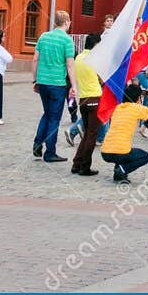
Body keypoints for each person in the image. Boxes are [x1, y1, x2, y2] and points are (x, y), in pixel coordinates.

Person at [99, 81, 148, 184]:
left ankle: (118, 173)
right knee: (144, 156)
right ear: (138, 98)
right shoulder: (136, 108)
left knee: (122, 149)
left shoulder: (118, 107)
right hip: (120, 152)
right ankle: (122, 170)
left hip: (105, 152)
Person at [32, 11, 76, 163]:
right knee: (54, 118)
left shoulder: (43, 37)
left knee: (47, 113)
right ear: (67, 22)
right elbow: (70, 65)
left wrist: (35, 79)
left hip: (43, 82)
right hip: (58, 84)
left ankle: (38, 143)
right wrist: (74, 85)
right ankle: (50, 152)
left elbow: (35, 59)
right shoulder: (67, 41)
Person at [71, 33, 103, 176]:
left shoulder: (78, 58)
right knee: (92, 134)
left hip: (83, 99)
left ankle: (76, 163)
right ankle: (85, 166)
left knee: (86, 134)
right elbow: (102, 78)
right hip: (95, 97)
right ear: (95, 44)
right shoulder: (94, 59)